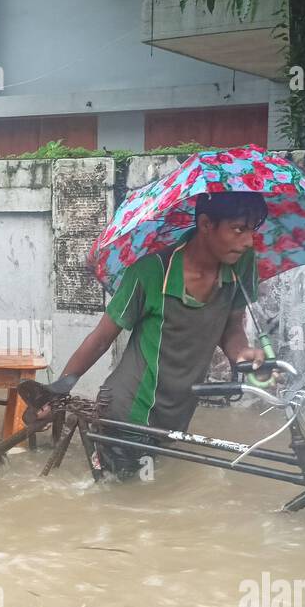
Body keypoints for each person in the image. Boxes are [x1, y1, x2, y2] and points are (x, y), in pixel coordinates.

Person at [41, 191, 269, 476]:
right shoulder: (150, 272)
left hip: (177, 411)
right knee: (126, 502)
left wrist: (241, 354)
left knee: (152, 500)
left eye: (252, 230)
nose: (248, 241)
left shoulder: (241, 266)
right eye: (238, 229)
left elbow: (232, 327)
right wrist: (58, 391)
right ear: (206, 224)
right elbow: (100, 340)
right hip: (130, 410)